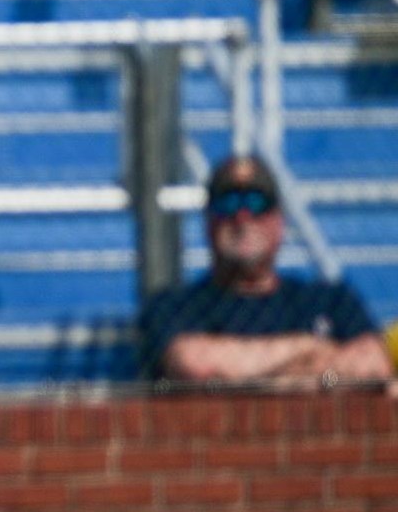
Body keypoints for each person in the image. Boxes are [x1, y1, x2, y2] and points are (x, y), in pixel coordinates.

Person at [140, 154, 391, 389]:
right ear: (208, 222)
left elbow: (374, 364)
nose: (242, 216)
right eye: (228, 203)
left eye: (256, 202)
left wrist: (318, 379)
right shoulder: (174, 305)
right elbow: (195, 365)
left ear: (278, 221)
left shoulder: (328, 300)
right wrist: (308, 347)